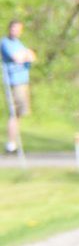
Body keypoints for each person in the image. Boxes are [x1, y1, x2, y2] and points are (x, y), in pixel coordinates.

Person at [1, 20, 33, 154]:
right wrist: (25, 56)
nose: (15, 31)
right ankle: (11, 145)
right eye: (14, 28)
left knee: (19, 113)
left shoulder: (19, 43)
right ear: (10, 28)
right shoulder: (5, 42)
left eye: (18, 29)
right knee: (14, 113)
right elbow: (17, 58)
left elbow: (31, 56)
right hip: (14, 82)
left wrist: (26, 55)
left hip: (23, 80)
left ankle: (13, 143)